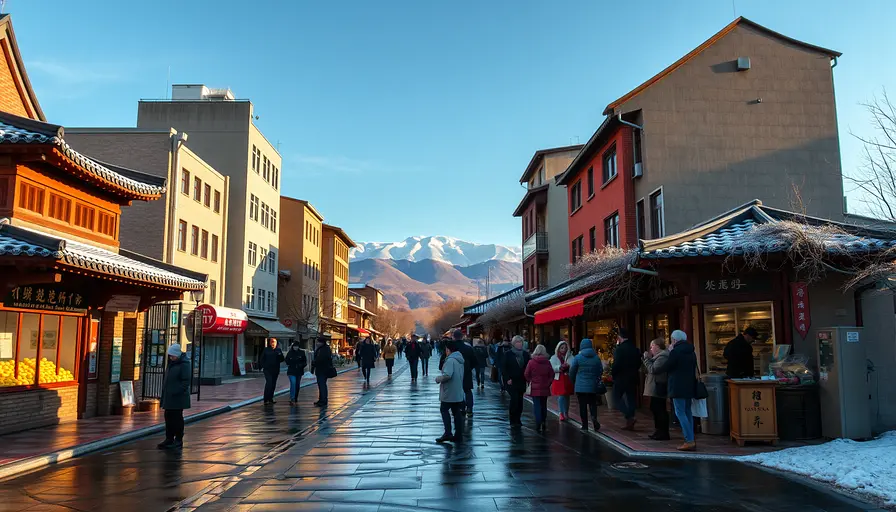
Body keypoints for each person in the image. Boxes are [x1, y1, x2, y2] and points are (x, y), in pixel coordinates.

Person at [654, 330, 698, 451]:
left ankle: (689, 440)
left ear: (674, 340)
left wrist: (670, 351)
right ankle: (691, 437)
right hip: (689, 385)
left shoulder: (676, 352)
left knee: (680, 412)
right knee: (688, 411)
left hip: (678, 386)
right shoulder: (691, 351)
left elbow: (667, 366)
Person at [158, 344, 191, 449]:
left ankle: (178, 440)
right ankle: (169, 438)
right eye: (170, 355)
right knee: (168, 417)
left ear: (177, 354)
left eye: (173, 355)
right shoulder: (171, 364)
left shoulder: (184, 364)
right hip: (169, 396)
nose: (171, 357)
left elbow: (186, 381)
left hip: (178, 397)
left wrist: (176, 391)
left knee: (177, 418)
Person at [569, 338, 603, 431]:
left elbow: (572, 371)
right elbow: (600, 370)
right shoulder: (596, 358)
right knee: (593, 403)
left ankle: (584, 426)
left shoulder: (578, 358)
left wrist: (573, 381)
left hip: (581, 386)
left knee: (582, 405)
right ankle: (594, 417)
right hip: (592, 385)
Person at [435, 341, 465, 443]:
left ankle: (448, 433)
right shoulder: (459, 359)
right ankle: (458, 434)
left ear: (448, 350)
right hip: (457, 390)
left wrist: (438, 379)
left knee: (444, 410)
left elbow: (447, 375)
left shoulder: (450, 360)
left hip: (449, 391)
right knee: (456, 412)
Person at [611, 328, 641, 430]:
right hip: (632, 377)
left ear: (620, 337)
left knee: (616, 398)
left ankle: (629, 416)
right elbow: (638, 363)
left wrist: (613, 373)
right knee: (631, 398)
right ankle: (630, 422)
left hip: (621, 377)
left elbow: (616, 364)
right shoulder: (634, 348)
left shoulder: (619, 349)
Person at [643, 338, 670, 440]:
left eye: (652, 346)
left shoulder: (663, 356)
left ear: (657, 346)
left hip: (659, 385)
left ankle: (662, 432)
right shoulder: (657, 357)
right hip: (656, 385)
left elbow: (653, 369)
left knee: (659, 409)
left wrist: (646, 359)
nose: (650, 349)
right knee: (655, 408)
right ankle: (658, 430)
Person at [524, 344, 555, 433]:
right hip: (545, 387)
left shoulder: (531, 362)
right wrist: (548, 383)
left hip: (535, 387)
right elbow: (551, 374)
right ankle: (544, 421)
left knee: (537, 405)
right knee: (544, 405)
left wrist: (531, 381)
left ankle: (538, 422)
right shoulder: (547, 362)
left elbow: (526, 374)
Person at [502, 335, 530, 426]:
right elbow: (504, 368)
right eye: (517, 342)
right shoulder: (508, 354)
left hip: (521, 380)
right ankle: (512, 418)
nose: (519, 344)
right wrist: (507, 378)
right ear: (514, 344)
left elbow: (528, 367)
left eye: (520, 342)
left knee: (520, 400)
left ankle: (518, 418)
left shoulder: (525, 354)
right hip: (511, 380)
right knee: (514, 399)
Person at [550, 340, 575, 422]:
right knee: (561, 396)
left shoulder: (571, 357)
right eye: (562, 348)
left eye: (565, 348)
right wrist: (560, 367)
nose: (563, 349)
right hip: (559, 378)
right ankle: (561, 413)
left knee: (567, 396)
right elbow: (552, 367)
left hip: (568, 378)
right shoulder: (554, 357)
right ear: (558, 348)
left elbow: (574, 366)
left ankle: (566, 412)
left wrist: (569, 367)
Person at [454, 330, 476, 417]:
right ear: (462, 337)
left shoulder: (452, 348)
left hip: (455, 373)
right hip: (466, 372)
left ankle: (461, 408)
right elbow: (474, 361)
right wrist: (469, 368)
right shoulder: (468, 348)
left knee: (457, 391)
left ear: (454, 337)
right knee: (467, 391)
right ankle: (469, 408)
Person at [260, 338, 285, 404]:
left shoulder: (278, 350)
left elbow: (282, 359)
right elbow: (262, 359)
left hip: (275, 369)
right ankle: (266, 399)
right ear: (270, 343)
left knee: (273, 384)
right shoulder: (266, 350)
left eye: (275, 342)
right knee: (269, 383)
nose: (273, 344)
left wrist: (280, 355)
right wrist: (263, 366)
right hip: (267, 370)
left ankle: (270, 398)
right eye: (272, 342)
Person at [312, 336, 334, 407]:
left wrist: (314, 362)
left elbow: (320, 359)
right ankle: (321, 399)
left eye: (318, 342)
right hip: (321, 369)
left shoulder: (323, 350)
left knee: (322, 385)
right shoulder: (323, 349)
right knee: (321, 385)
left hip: (322, 370)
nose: (317, 343)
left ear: (321, 343)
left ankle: (323, 400)